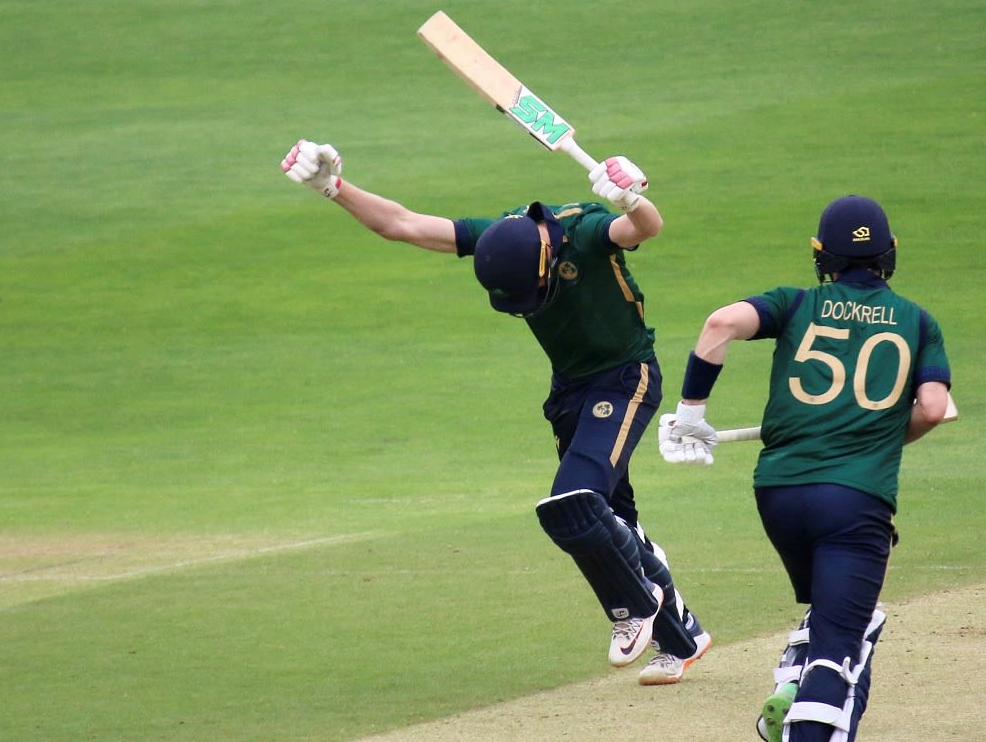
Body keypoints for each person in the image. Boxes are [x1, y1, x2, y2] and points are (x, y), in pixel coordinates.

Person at [280, 138, 711, 685]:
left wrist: (631, 197)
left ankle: (634, 603)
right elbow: (404, 225)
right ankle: (683, 636)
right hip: (570, 390)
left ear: (548, 261)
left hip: (625, 378)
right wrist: (333, 188)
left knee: (572, 504)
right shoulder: (499, 235)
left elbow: (645, 228)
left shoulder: (583, 232)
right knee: (610, 520)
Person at [658, 194, 952, 742]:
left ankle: (791, 690)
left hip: (779, 492)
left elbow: (719, 323)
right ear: (889, 253)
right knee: (844, 649)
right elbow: (933, 407)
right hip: (854, 503)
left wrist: (691, 412)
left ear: (822, 255)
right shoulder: (918, 324)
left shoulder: (796, 304)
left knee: (837, 613)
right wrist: (885, 432)